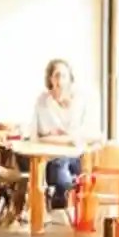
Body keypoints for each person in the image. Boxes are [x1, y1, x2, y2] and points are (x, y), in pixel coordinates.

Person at [29, 58, 99, 220]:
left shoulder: (80, 100)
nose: (60, 80)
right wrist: (65, 138)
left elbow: (84, 134)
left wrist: (58, 137)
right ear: (50, 78)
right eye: (56, 75)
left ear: (70, 78)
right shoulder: (42, 101)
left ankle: (65, 201)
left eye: (64, 76)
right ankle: (58, 203)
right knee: (59, 172)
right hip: (52, 156)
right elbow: (39, 135)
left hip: (77, 154)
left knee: (67, 174)